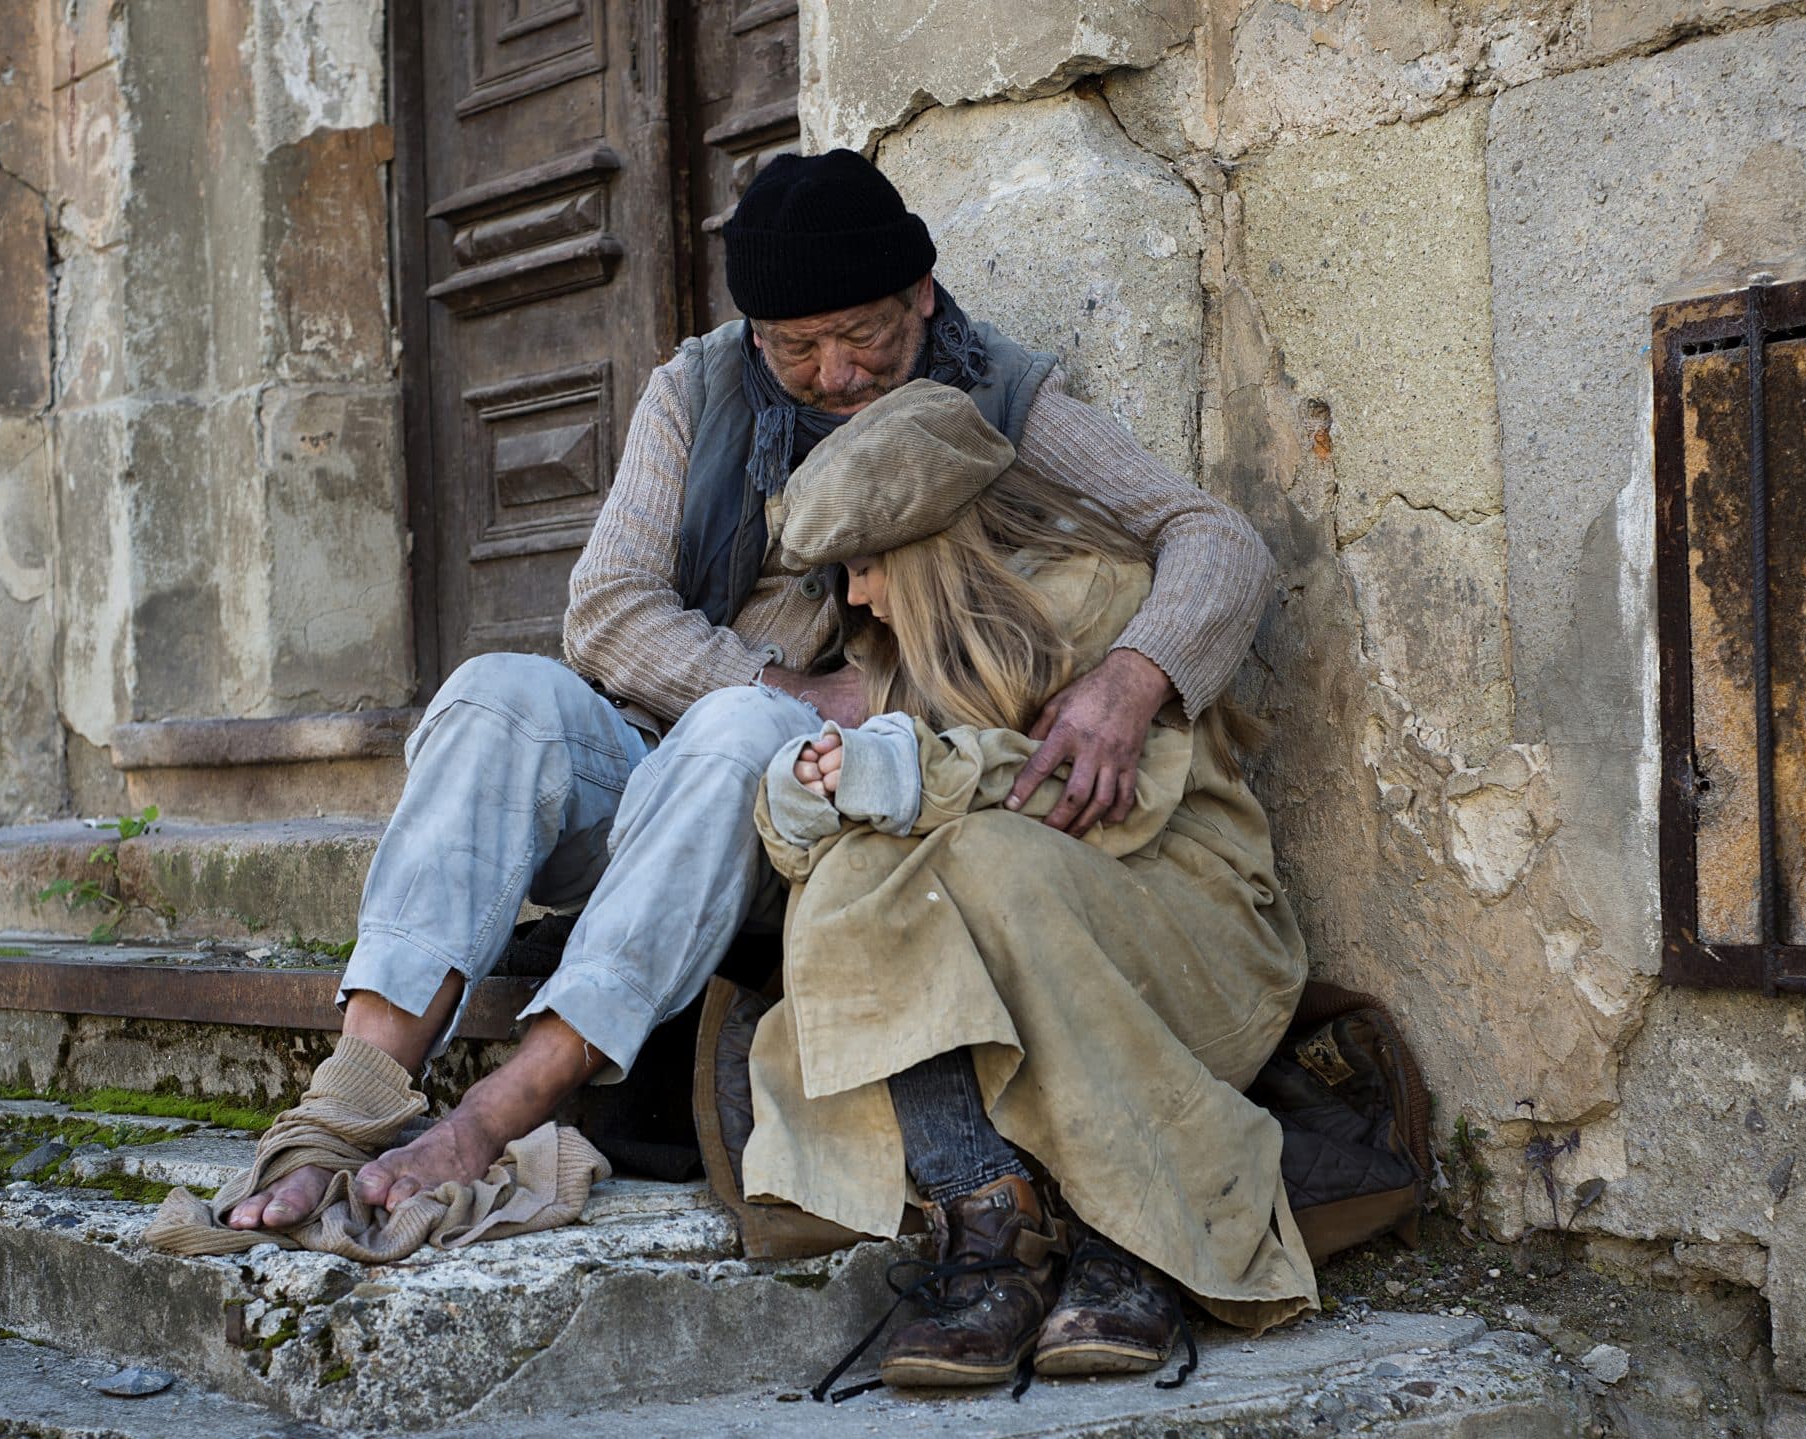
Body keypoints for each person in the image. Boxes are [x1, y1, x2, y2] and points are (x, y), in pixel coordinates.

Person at [219, 149, 1277, 1350]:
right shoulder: (699, 390)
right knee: (494, 695)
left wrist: (1130, 679)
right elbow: (605, 610)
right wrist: (787, 685)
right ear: (752, 330)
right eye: (796, 345)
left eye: (865, 335)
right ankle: (347, 1099)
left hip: (826, 815)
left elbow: (1215, 538)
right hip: (680, 769)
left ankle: (513, 1103)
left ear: (922, 295)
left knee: (737, 731)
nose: (837, 374)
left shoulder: (994, 400)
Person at [742, 380, 1312, 1392]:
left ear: (933, 544)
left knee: (983, 858)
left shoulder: (1095, 598)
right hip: (1036, 942)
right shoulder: (896, 643)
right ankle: (985, 1212)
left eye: (868, 565)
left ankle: (1131, 1223)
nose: (859, 597)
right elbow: (840, 834)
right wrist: (804, 795)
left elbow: (1091, 805)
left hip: (1195, 940)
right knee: (856, 872)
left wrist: (911, 777)